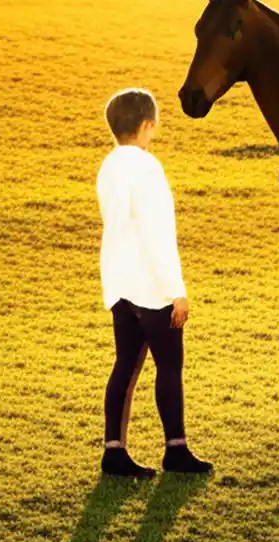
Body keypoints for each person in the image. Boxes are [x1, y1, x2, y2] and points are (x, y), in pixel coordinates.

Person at [96, 88, 213, 477]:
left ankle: (114, 450)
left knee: (125, 366)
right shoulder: (148, 168)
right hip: (150, 285)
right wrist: (175, 290)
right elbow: (156, 233)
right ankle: (175, 450)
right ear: (147, 125)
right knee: (169, 366)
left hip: (119, 281)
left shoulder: (108, 166)